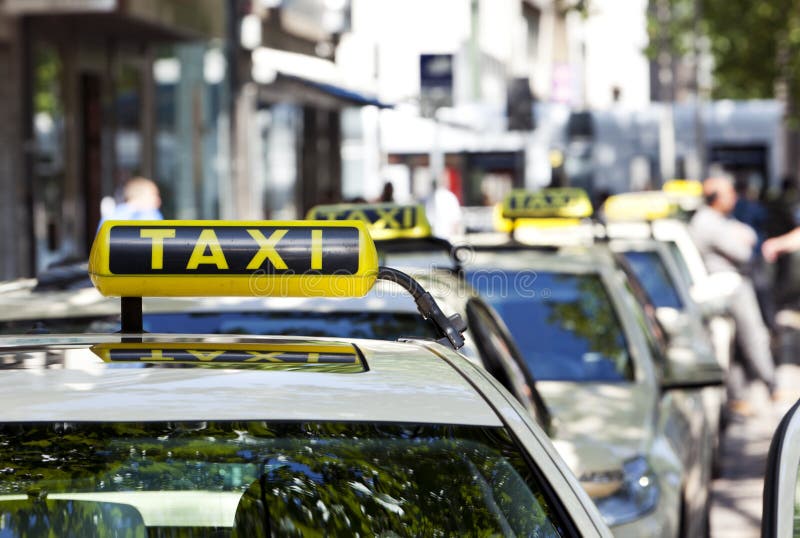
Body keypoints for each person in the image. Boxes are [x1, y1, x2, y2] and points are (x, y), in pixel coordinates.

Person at [689, 175, 778, 415]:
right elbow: (744, 251)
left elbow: (749, 236)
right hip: (729, 286)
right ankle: (771, 384)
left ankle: (741, 395)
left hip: (733, 283)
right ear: (715, 198)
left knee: (738, 345)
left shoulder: (720, 219)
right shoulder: (707, 222)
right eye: (729, 194)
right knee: (754, 336)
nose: (734, 198)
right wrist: (743, 238)